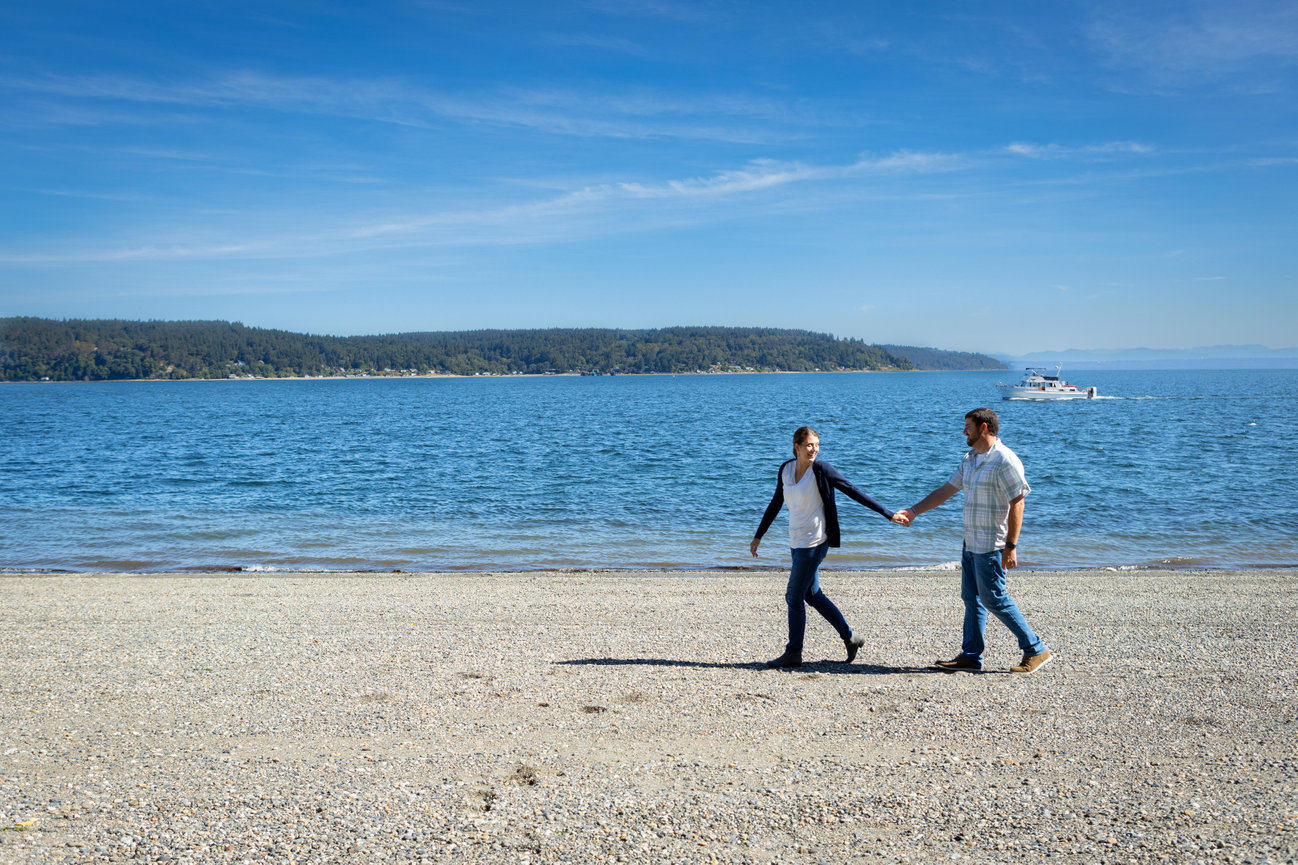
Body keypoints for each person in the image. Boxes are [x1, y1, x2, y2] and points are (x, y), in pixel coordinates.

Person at [892, 408, 1052, 674]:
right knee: (972, 598)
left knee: (995, 599)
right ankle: (970, 655)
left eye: (968, 426)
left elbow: (1018, 502)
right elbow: (946, 490)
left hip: (992, 544)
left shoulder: (1004, 459)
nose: (964, 431)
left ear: (984, 428)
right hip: (970, 542)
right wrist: (914, 511)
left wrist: (1011, 546)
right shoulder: (970, 459)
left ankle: (1035, 649)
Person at [750, 426, 897, 668]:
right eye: (809, 445)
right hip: (796, 541)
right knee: (812, 594)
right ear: (796, 446)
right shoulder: (786, 470)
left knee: (793, 596)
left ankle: (793, 652)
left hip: (816, 541)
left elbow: (852, 490)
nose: (814, 449)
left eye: (817, 445)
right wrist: (759, 535)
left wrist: (887, 513)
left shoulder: (821, 470)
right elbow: (776, 502)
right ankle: (850, 637)